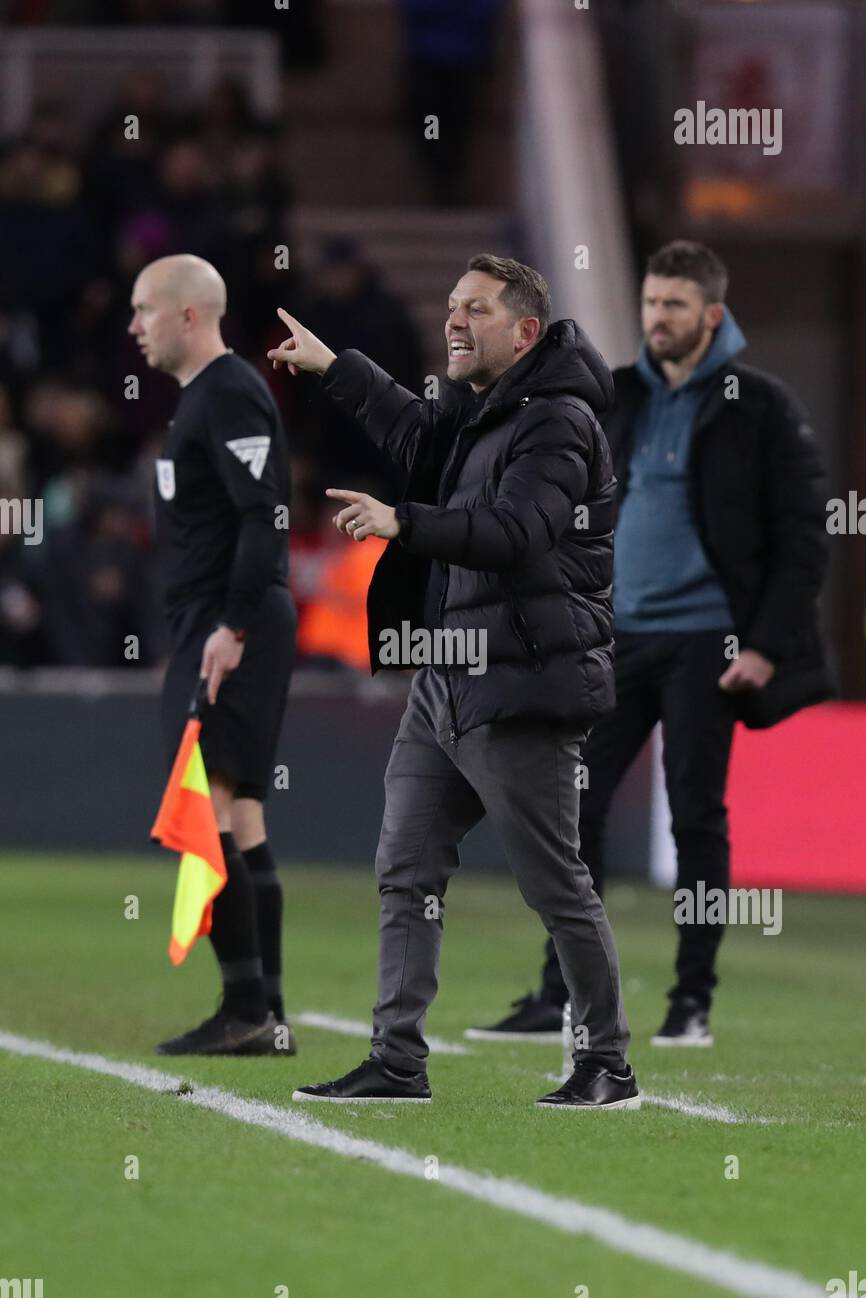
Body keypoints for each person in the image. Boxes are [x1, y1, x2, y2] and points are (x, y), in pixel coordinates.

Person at [269, 254, 639, 1110]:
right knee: (406, 867)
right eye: (450, 306)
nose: (454, 321)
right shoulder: (483, 409)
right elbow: (412, 430)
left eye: (475, 308)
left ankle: (608, 1062)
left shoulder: (560, 423)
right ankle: (397, 1059)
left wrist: (406, 521)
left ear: (525, 331)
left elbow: (519, 530)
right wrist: (337, 370)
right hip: (448, 679)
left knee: (553, 881)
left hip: (524, 684)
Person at [472, 240, 830, 1048]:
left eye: (673, 305)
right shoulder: (619, 396)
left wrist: (768, 643)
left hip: (711, 637)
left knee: (694, 816)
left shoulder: (760, 406)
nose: (656, 319)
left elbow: (805, 537)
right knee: (574, 810)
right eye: (649, 303)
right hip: (618, 635)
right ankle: (560, 992)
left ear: (711, 314)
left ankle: (689, 1002)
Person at [129, 253, 297, 1056]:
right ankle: (266, 1010)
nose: (134, 327)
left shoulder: (228, 393)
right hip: (219, 618)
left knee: (216, 806)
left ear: (188, 315)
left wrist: (230, 627)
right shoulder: (204, 399)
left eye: (144, 310)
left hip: (230, 623)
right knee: (245, 816)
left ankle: (246, 1012)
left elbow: (263, 516)